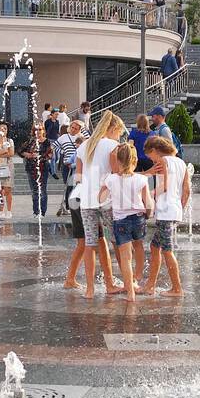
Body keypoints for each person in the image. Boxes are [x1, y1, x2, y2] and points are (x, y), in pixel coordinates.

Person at [77, 111, 125, 298]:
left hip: (86, 200)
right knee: (117, 241)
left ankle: (90, 289)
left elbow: (78, 177)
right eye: (119, 132)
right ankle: (125, 282)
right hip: (106, 200)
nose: (119, 135)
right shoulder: (113, 145)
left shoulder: (85, 146)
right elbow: (116, 174)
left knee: (91, 243)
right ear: (112, 129)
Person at [99, 142, 152, 302]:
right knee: (139, 246)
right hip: (138, 218)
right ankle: (138, 276)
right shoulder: (142, 179)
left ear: (118, 162)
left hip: (120, 220)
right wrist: (147, 215)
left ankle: (130, 293)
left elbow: (100, 199)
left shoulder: (111, 179)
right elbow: (148, 203)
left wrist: (106, 191)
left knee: (125, 257)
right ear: (135, 161)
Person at [141, 136, 189, 297]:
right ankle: (150, 285)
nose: (151, 160)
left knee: (167, 250)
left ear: (154, 151)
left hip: (166, 211)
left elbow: (164, 187)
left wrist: (146, 194)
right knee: (155, 247)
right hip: (173, 210)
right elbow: (186, 190)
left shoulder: (162, 162)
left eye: (150, 156)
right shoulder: (181, 163)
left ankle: (177, 289)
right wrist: (179, 208)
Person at [21, 125, 53, 217]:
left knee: (42, 190)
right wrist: (27, 154)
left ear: (43, 130)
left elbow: (50, 155)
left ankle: (42, 212)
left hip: (43, 168)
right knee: (34, 190)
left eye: (40, 129)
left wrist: (39, 157)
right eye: (36, 130)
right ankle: (36, 211)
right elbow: (20, 151)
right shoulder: (30, 141)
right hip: (31, 168)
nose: (38, 131)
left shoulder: (47, 142)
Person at [54, 119, 83, 215]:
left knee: (77, 186)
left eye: (76, 128)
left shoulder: (82, 137)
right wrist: (61, 152)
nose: (73, 130)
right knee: (69, 185)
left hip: (78, 165)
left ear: (79, 130)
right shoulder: (63, 137)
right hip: (67, 164)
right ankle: (68, 206)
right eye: (72, 127)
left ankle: (76, 205)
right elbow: (54, 146)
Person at [0, 122, 16, 218]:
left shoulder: (10, 141)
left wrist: (0, 152)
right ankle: (0, 211)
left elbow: (11, 153)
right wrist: (4, 151)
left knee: (8, 189)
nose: (3, 130)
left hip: (8, 166)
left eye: (5, 128)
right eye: (2, 128)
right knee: (0, 190)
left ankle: (9, 211)